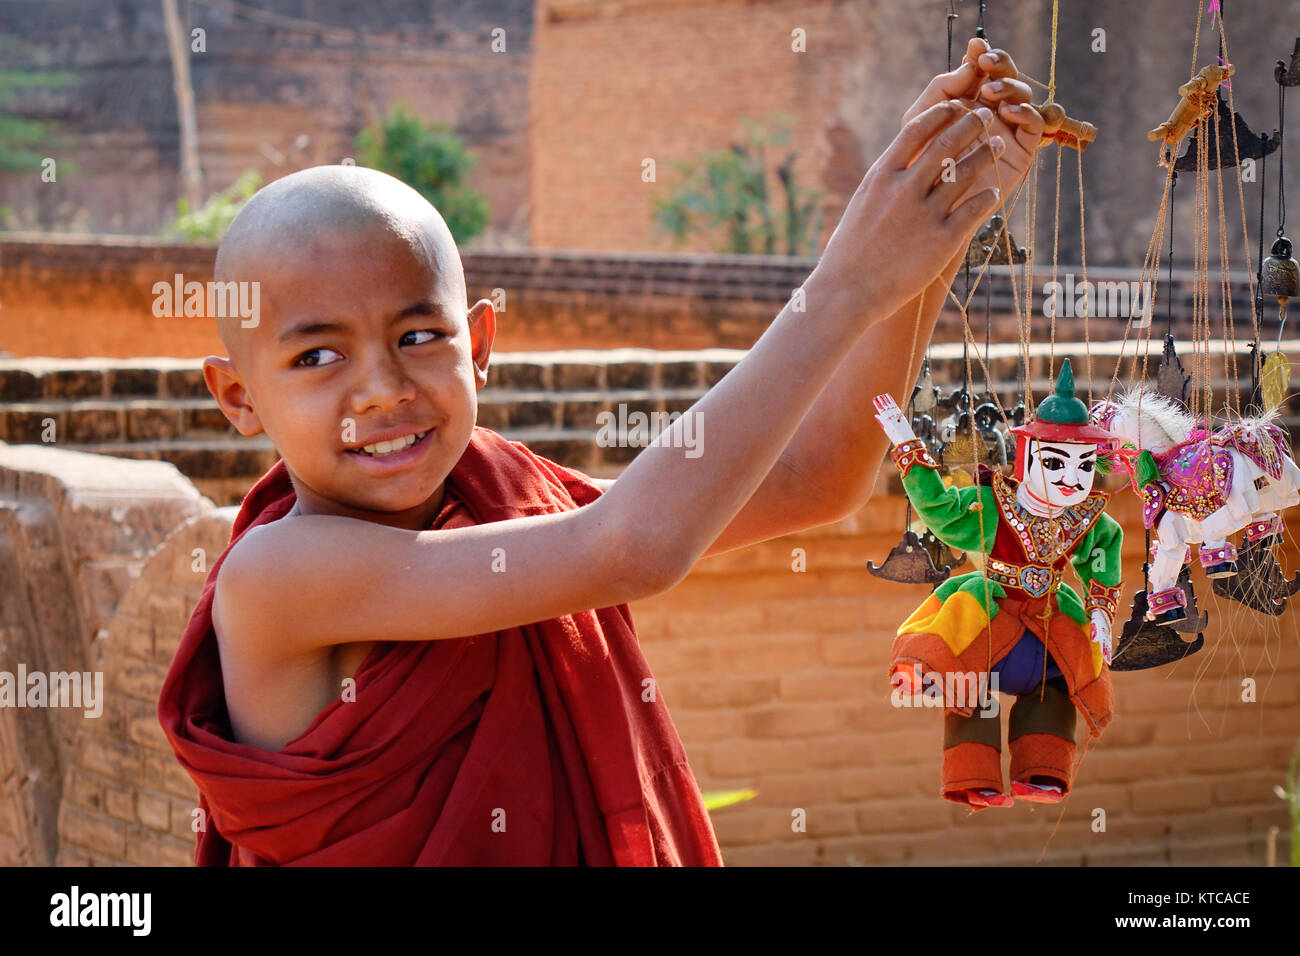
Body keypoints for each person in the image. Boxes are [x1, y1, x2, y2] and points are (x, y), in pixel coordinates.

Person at [157, 38, 1045, 864]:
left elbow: (821, 480)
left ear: (480, 344)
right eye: (317, 356)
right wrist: (848, 281)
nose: (383, 387)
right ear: (238, 396)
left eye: (419, 335)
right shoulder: (275, 577)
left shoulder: (505, 500)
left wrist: (933, 230)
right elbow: (635, 545)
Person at [872, 359, 1123, 810]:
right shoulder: (992, 507)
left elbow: (1102, 562)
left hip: (1050, 621)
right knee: (967, 686)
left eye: (1084, 465)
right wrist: (906, 446)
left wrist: (1101, 616)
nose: (1071, 478)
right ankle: (974, 777)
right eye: (1055, 463)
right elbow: (943, 510)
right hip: (992, 613)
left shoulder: (1090, 521)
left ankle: (1042, 771)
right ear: (1027, 457)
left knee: (1059, 686)